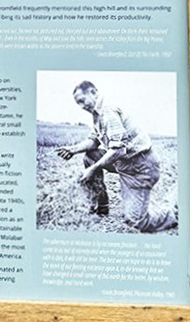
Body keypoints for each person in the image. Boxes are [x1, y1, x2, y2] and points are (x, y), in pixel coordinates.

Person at [57, 80, 177, 232]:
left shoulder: (108, 110)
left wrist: (93, 169)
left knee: (136, 222)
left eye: (82, 101)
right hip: (124, 163)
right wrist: (72, 149)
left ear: (93, 92)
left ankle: (175, 212)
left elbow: (119, 150)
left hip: (140, 168)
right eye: (78, 104)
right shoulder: (97, 114)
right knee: (90, 155)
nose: (81, 107)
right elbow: (93, 141)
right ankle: (102, 205)